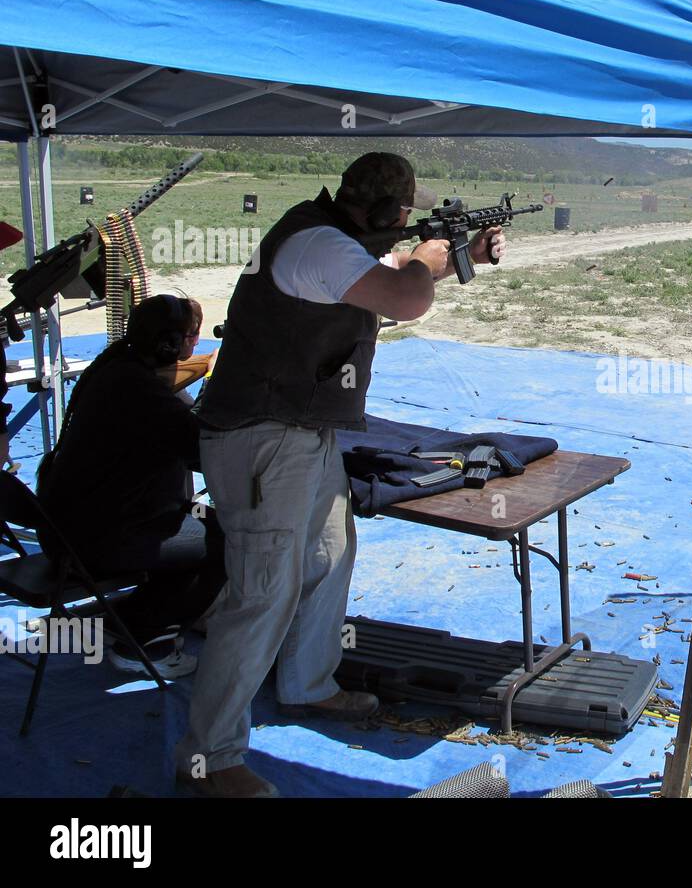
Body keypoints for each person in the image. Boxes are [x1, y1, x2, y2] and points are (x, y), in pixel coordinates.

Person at [176, 152, 507, 798]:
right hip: (262, 436)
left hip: (301, 432)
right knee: (261, 593)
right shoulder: (318, 243)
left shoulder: (333, 241)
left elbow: (376, 281)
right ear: (386, 211)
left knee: (329, 552)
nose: (405, 227)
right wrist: (429, 261)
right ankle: (209, 759)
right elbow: (405, 297)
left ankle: (306, 683)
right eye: (404, 215)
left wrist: (465, 255)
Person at [36, 294, 225, 678]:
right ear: (168, 344)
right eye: (190, 337)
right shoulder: (141, 392)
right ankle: (148, 640)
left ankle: (126, 617)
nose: (194, 344)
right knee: (231, 538)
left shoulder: (114, 367)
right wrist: (217, 391)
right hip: (98, 540)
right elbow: (203, 452)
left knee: (191, 517)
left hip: (65, 528)